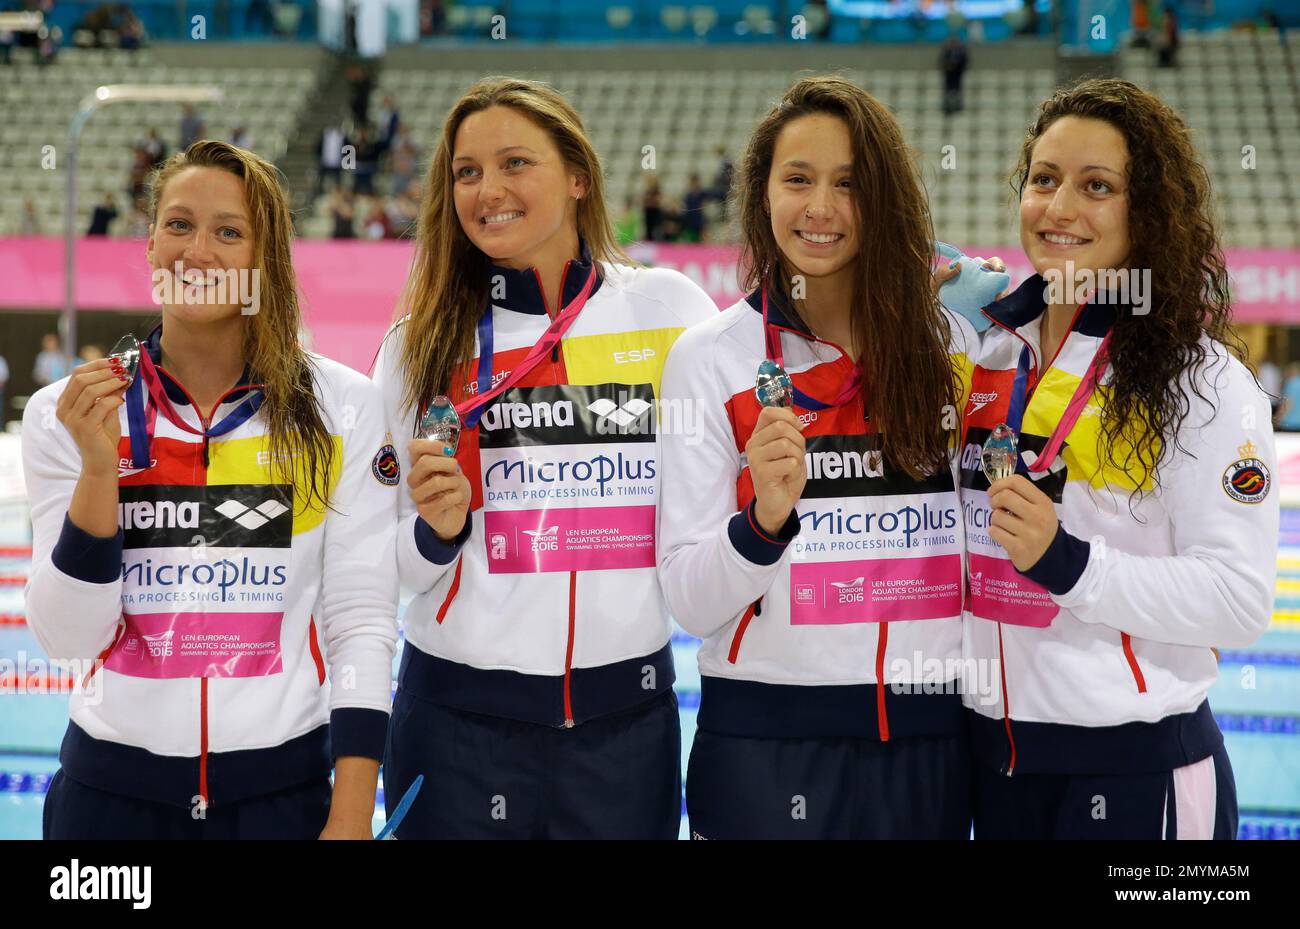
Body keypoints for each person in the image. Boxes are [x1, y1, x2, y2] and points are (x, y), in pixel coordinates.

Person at [22, 139, 399, 839]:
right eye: (178, 224)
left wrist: (350, 814)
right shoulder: (67, 414)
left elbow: (361, 623)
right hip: (108, 803)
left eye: (229, 232)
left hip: (280, 799)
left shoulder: (341, 408)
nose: (197, 251)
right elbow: (69, 638)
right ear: (150, 244)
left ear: (266, 260)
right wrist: (99, 472)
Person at [372, 77, 717, 839]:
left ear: (577, 176)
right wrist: (434, 530)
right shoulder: (418, 347)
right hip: (455, 727)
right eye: (466, 172)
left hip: (623, 729)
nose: (487, 189)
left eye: (514, 163)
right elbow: (379, 570)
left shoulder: (670, 313)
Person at [657, 76, 979, 839]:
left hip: (929, 744)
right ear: (762, 192)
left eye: (849, 184)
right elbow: (689, 599)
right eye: (797, 179)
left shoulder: (956, 351)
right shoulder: (710, 359)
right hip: (764, 746)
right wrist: (762, 523)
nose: (821, 208)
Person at [958, 79, 1277, 839]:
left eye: (1097, 186)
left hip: (1138, 772)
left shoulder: (1203, 383)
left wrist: (1067, 562)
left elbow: (1238, 599)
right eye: (1044, 179)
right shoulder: (985, 351)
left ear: (1147, 213)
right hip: (993, 766)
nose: (1060, 208)